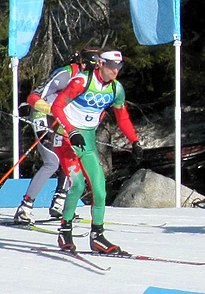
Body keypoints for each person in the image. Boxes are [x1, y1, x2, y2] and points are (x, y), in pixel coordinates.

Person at [51, 49, 143, 253]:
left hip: (87, 138)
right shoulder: (81, 82)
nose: (115, 71)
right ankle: (65, 230)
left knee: (99, 188)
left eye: (119, 67)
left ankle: (98, 236)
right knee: (77, 184)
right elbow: (57, 107)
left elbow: (123, 117)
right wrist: (71, 130)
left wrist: (134, 142)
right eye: (112, 66)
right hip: (66, 137)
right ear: (100, 64)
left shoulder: (116, 89)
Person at [14, 49, 99, 224]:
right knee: (52, 162)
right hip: (43, 116)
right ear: (81, 63)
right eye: (90, 66)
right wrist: (53, 112)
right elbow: (33, 97)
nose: (93, 72)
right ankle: (25, 207)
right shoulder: (64, 75)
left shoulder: (91, 81)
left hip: (63, 120)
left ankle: (59, 204)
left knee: (71, 156)